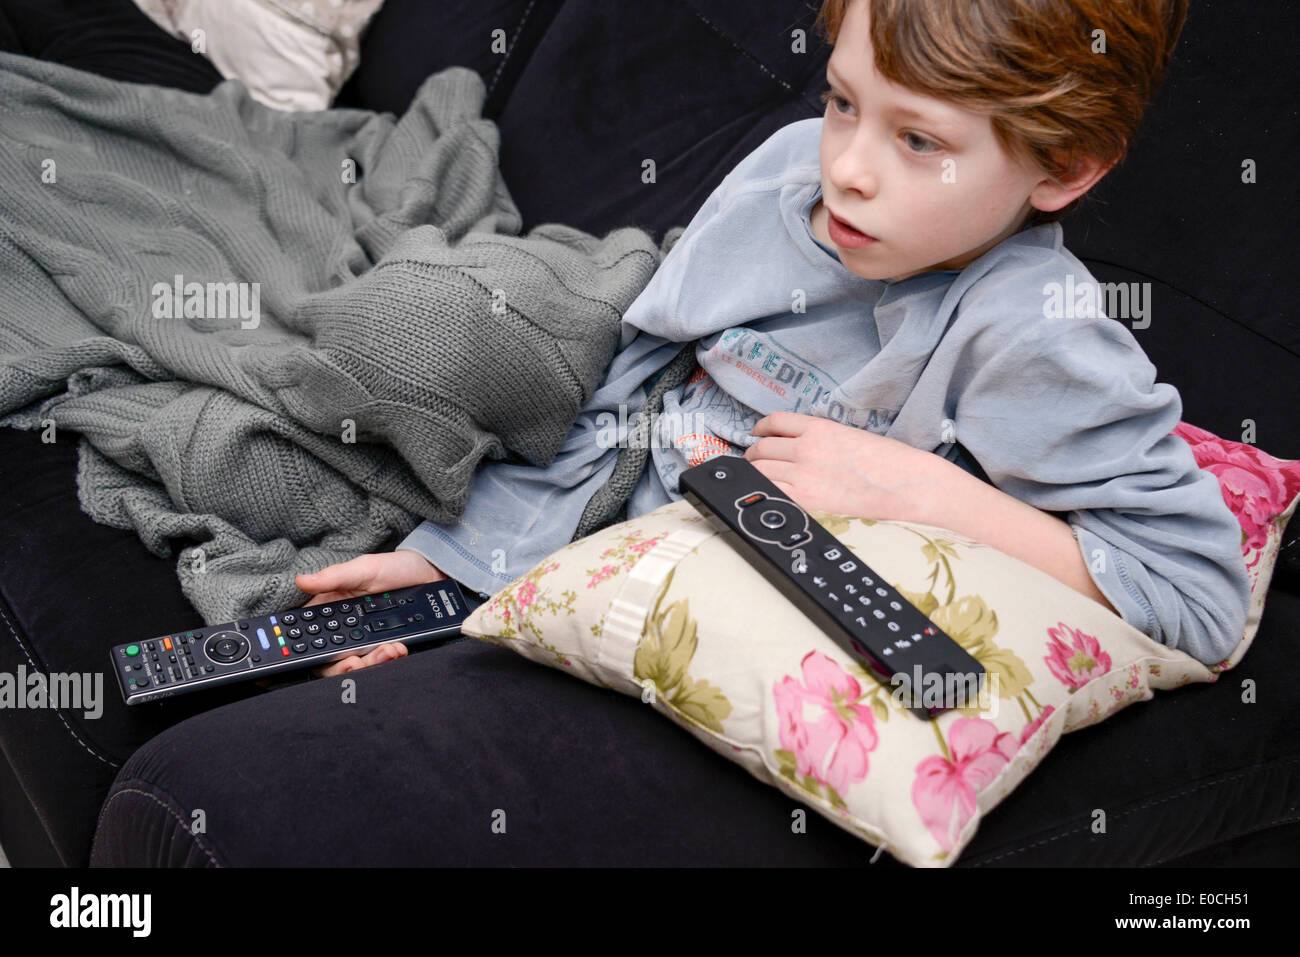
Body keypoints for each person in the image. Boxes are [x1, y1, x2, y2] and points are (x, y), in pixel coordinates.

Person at [300, 0, 1251, 677]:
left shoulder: (1032, 330)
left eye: (919, 141)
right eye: (843, 102)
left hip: (709, 630)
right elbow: (632, 384)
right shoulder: (789, 167)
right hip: (583, 564)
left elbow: (1199, 597)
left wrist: (920, 492)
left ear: (1065, 167)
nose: (846, 170)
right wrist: (458, 570)